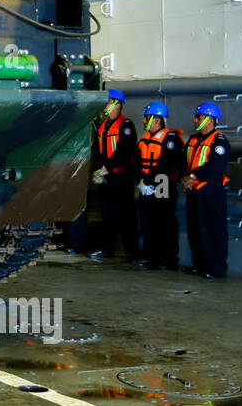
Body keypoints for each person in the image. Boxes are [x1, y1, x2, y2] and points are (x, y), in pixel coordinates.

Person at [182, 102, 231, 278]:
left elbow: (216, 166)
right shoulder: (193, 140)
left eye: (199, 117)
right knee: (195, 228)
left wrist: (193, 177)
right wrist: (184, 177)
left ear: (210, 120)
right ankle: (199, 264)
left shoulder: (219, 141)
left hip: (210, 192)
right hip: (193, 192)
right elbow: (184, 161)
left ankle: (216, 268)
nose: (195, 120)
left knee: (213, 229)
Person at [90, 88, 138, 258]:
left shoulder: (126, 125)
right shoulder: (102, 125)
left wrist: (107, 169)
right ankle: (107, 248)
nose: (106, 105)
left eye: (109, 101)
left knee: (124, 215)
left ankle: (131, 251)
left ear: (117, 104)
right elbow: (96, 150)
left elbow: (125, 152)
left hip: (121, 177)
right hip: (106, 178)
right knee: (107, 215)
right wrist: (97, 170)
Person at [136, 101, 184, 270]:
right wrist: (141, 182)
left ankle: (169, 259)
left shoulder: (170, 138)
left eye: (146, 118)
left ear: (156, 119)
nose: (143, 121)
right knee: (147, 220)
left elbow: (166, 163)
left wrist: (149, 182)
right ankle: (152, 257)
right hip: (145, 184)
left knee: (164, 221)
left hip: (162, 183)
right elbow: (137, 162)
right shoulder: (144, 138)